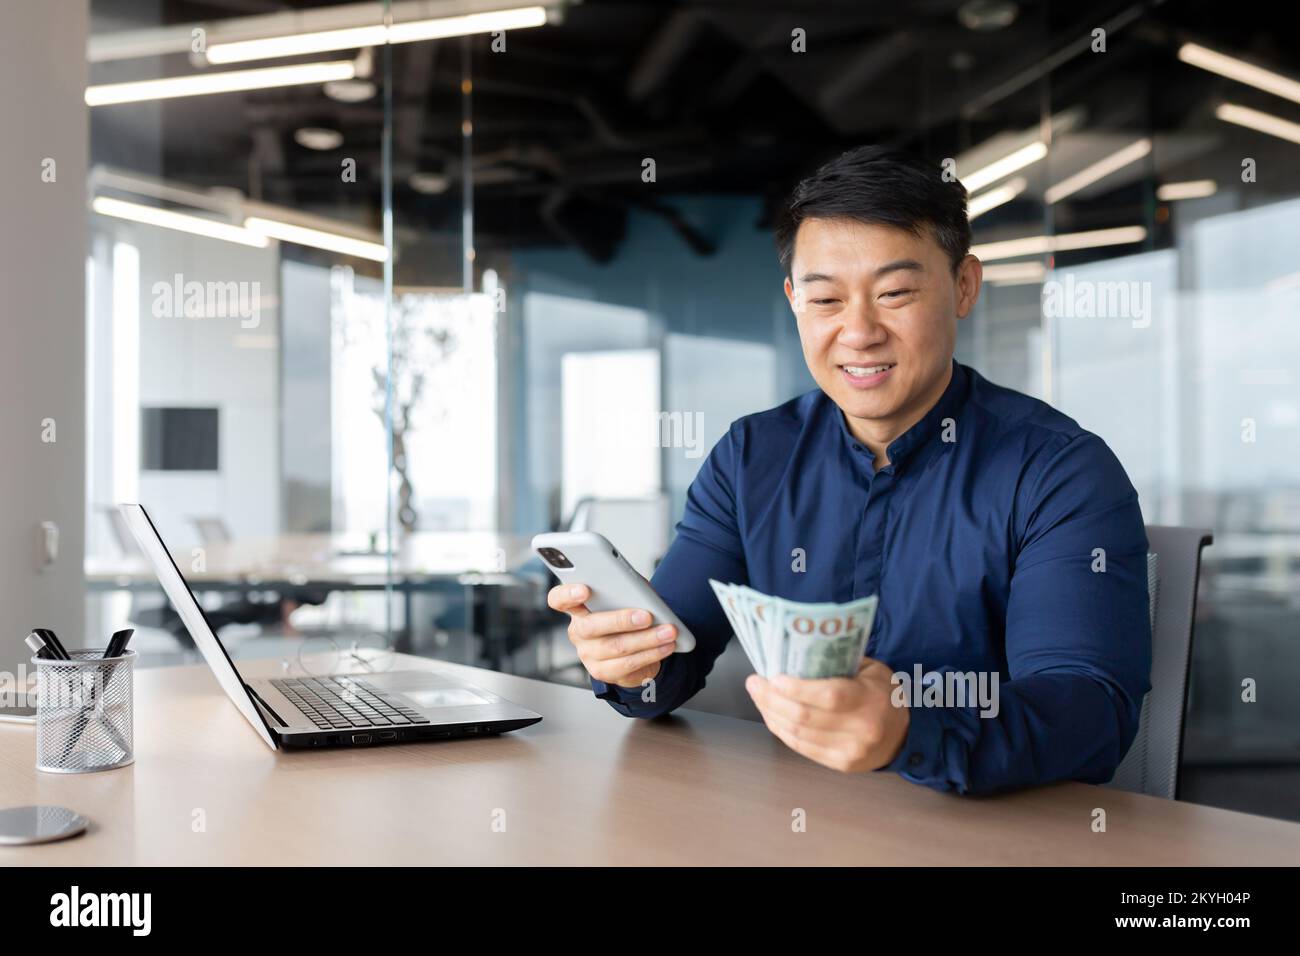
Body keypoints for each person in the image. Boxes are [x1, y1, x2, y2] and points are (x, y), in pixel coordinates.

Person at [548, 145, 1151, 795]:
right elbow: (673, 662)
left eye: (894, 293)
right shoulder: (752, 458)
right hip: (803, 823)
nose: (858, 332)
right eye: (826, 299)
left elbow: (1091, 715)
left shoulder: (1060, 471)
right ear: (794, 301)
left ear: (965, 286)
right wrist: (631, 663)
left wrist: (908, 734)